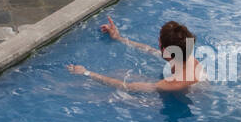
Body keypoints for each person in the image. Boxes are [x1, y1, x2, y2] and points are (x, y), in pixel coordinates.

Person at [66, 17, 207, 93]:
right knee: (121, 72)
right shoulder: (183, 53)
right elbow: (151, 51)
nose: (157, 42)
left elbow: (128, 86)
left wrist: (87, 73)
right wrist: (119, 39)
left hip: (188, 97)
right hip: (183, 87)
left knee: (116, 97)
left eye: (159, 41)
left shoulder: (174, 83)